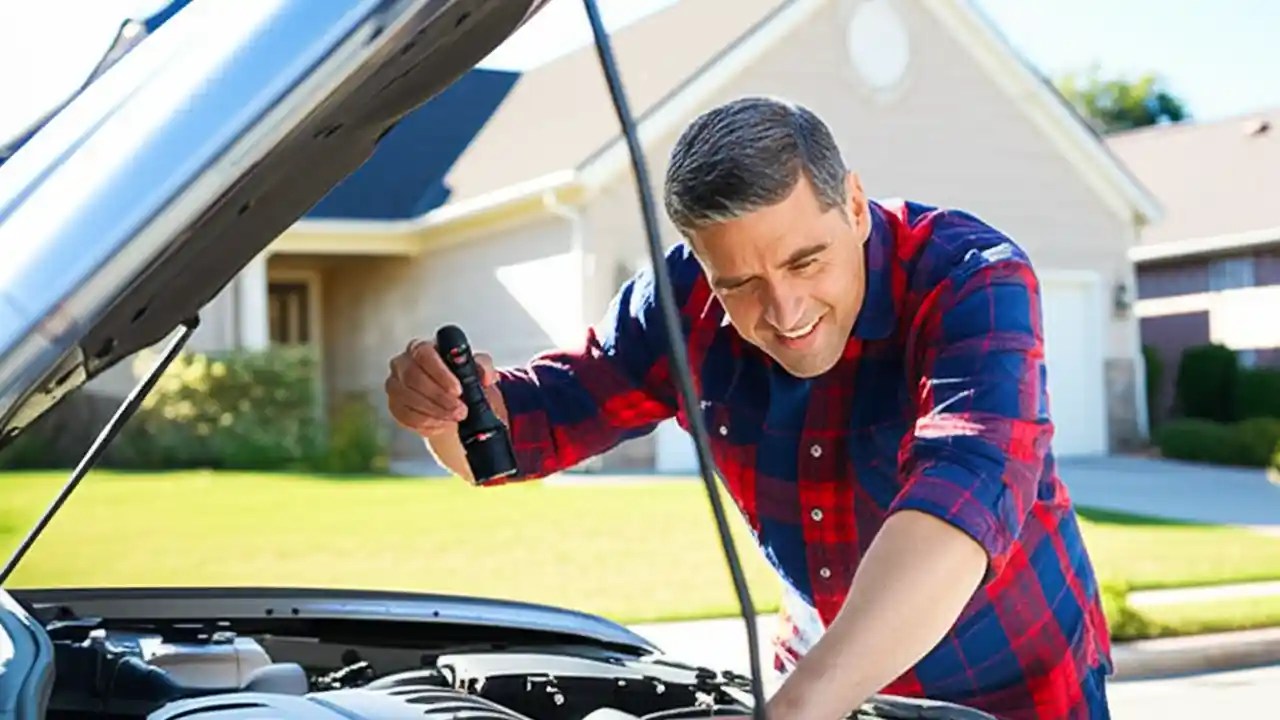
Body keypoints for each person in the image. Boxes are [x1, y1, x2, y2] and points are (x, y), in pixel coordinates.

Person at [385, 95, 1112, 720]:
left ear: (854, 205)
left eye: (806, 261)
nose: (785, 311)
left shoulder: (971, 280)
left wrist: (796, 705)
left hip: (1013, 690)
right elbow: (516, 439)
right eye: (738, 282)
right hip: (828, 683)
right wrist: (445, 411)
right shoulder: (679, 306)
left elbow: (965, 491)